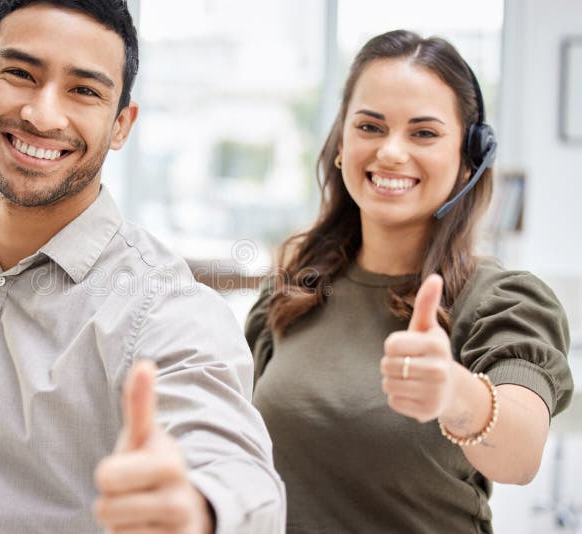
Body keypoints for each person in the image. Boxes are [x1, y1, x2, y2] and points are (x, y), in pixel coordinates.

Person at [0, 1, 285, 532]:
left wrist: (199, 507)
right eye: (20, 74)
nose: (42, 115)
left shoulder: (169, 310)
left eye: (84, 90)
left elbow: (242, 478)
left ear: (121, 126)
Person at [246, 29, 574, 533]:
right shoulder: (291, 292)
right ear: (340, 144)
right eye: (371, 126)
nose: (392, 153)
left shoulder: (502, 301)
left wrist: (455, 394)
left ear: (469, 158)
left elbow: (522, 455)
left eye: (423, 133)